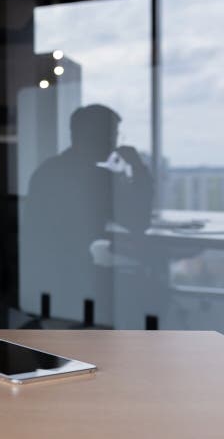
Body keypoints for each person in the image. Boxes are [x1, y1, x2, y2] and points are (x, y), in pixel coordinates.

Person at [20, 104, 153, 325]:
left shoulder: (48, 169)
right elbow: (139, 221)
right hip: (74, 279)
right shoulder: (94, 177)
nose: (114, 143)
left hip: (43, 275)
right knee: (149, 288)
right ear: (96, 136)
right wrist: (138, 167)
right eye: (112, 135)